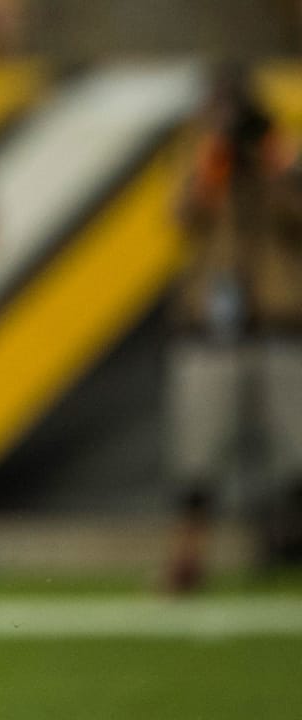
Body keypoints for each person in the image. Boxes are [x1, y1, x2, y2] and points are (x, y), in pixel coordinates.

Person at [162, 64, 302, 593]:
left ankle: (283, 543)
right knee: (198, 455)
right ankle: (187, 558)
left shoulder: (280, 157)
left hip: (281, 321)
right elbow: (182, 215)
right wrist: (217, 153)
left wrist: (273, 156)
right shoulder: (199, 155)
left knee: (295, 450)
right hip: (211, 326)